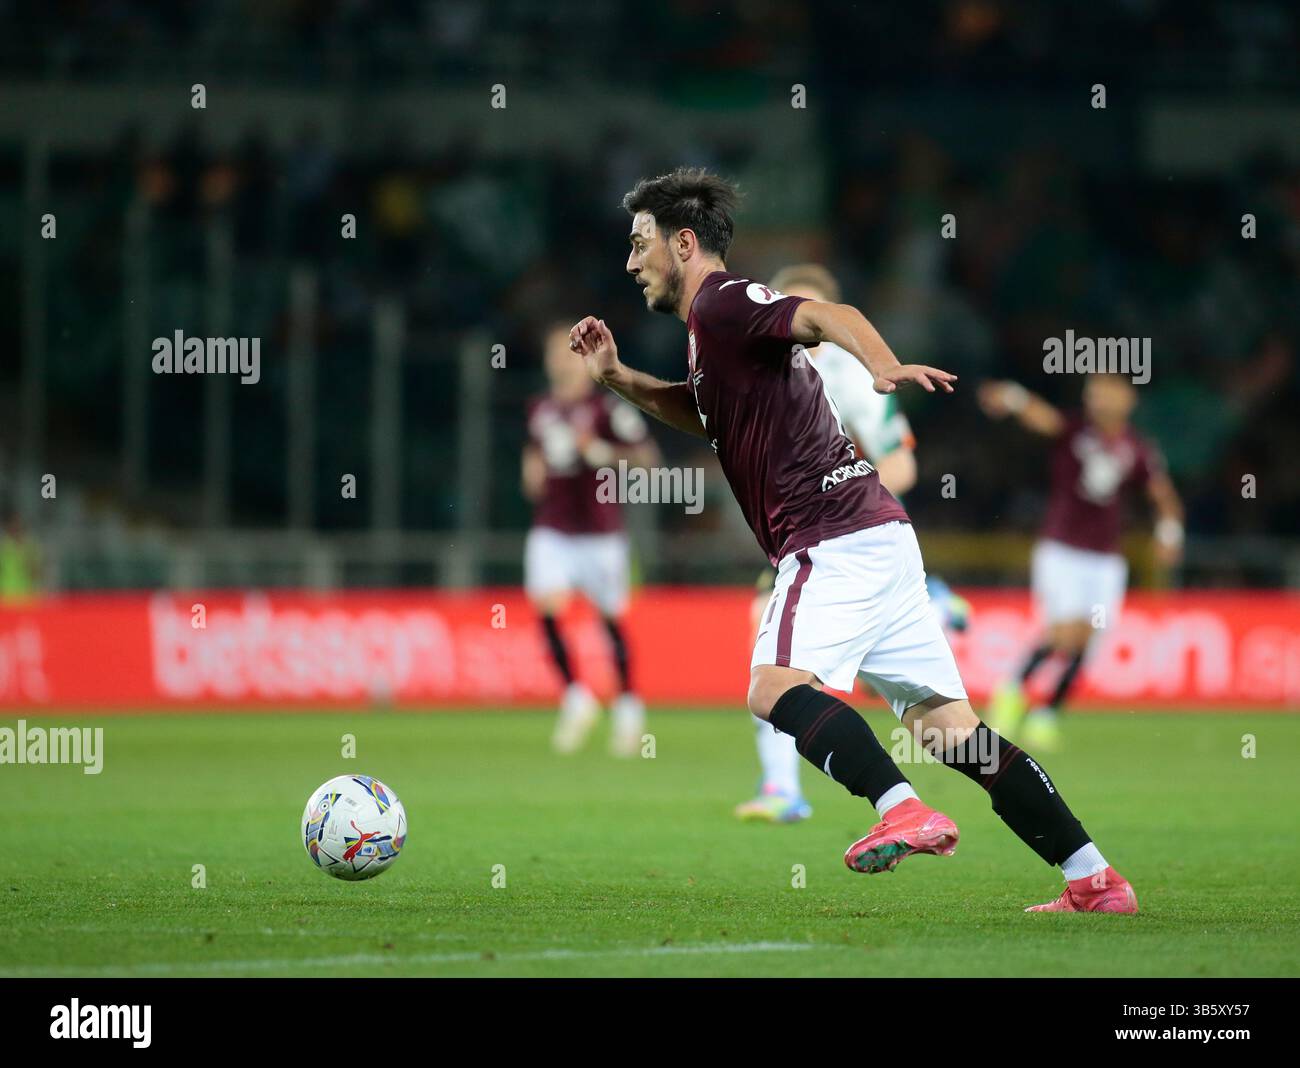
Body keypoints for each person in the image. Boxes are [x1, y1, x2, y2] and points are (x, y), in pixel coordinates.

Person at [568, 167, 1137, 912]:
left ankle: (900, 808)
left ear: (682, 244)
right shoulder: (711, 336)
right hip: (879, 535)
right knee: (954, 733)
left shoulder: (724, 301)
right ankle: (1094, 877)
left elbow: (826, 313)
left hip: (829, 536)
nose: (630, 261)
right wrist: (615, 376)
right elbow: (701, 413)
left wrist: (881, 365)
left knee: (772, 688)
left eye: (640, 243)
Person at [734, 263, 968, 824]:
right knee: (774, 652)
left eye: (808, 309)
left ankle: (785, 787)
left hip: (846, 535)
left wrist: (842, 496)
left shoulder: (849, 373)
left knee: (779, 657)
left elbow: (901, 463)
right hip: (798, 537)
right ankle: (783, 787)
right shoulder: (759, 369)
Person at [978, 374, 1184, 750]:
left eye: (1106, 394)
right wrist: (1012, 396)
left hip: (1106, 560)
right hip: (1062, 550)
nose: (1097, 401)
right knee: (1063, 633)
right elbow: (1042, 417)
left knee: (1089, 640)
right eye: (1093, 394)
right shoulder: (1074, 431)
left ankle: (1045, 716)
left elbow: (1162, 494)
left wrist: (1170, 533)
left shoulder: (1137, 448)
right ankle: (1011, 692)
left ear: (1128, 400)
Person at [523, 322, 657, 755]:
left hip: (601, 531)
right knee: (547, 606)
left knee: (609, 617)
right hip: (553, 527)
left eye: (569, 352)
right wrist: (532, 472)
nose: (562, 362)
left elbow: (647, 460)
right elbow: (533, 458)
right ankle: (576, 696)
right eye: (555, 353)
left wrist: (598, 452)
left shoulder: (607, 408)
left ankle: (628, 704)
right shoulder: (540, 409)